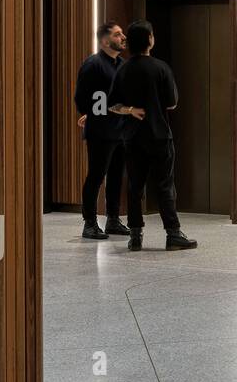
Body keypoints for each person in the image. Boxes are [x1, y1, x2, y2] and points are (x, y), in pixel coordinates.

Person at [108, 19, 197, 252]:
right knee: (165, 185)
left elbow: (112, 105)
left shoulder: (123, 69)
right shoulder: (161, 68)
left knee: (135, 187)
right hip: (159, 135)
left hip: (132, 137)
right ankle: (173, 235)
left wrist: (129, 110)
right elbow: (173, 103)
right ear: (149, 40)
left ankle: (135, 237)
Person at [72, 21, 130, 240]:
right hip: (101, 132)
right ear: (105, 41)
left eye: (122, 33)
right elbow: (81, 96)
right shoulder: (93, 64)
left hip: (120, 131)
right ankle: (89, 223)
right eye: (117, 34)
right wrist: (91, 113)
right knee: (96, 176)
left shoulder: (122, 65)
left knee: (116, 177)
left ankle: (113, 219)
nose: (123, 37)